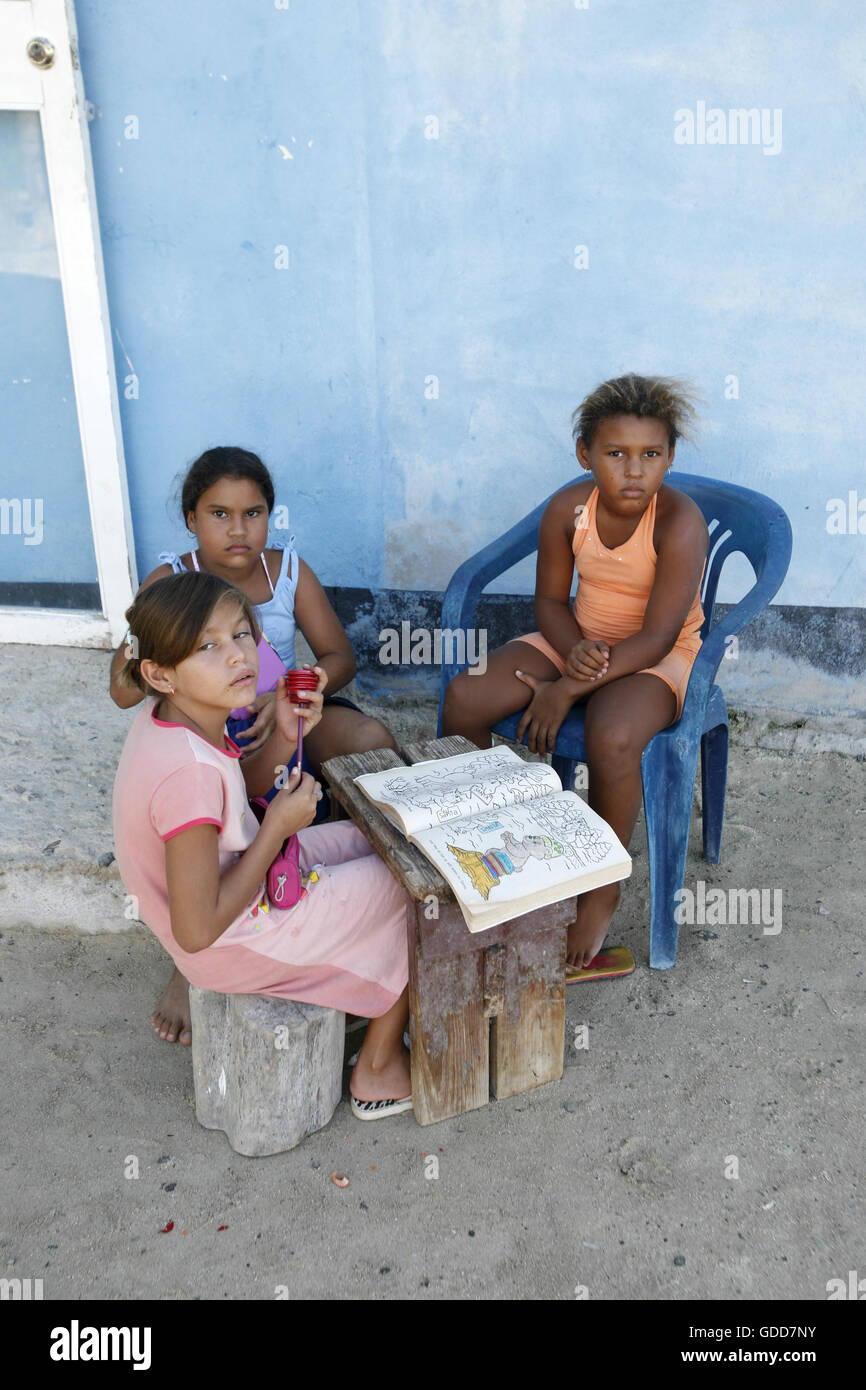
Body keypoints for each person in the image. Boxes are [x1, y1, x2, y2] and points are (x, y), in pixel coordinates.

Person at [109, 445, 398, 1045]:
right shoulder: (172, 582)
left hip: (283, 712)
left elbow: (338, 657)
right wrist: (141, 657)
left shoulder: (284, 572)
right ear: (191, 519)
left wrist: (282, 695)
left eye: (253, 513)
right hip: (217, 736)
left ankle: (323, 905)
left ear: (271, 515)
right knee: (218, 840)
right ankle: (194, 968)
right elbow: (124, 688)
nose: (237, 529)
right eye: (218, 514)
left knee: (372, 740)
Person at [112, 570, 411, 1118]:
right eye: (207, 646)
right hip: (232, 940)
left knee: (380, 842)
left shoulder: (179, 718)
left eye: (241, 634)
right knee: (411, 894)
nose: (237, 656)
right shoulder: (186, 776)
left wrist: (286, 737)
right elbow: (197, 931)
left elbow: (240, 787)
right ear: (159, 673)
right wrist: (277, 827)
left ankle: (360, 989)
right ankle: (378, 1067)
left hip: (250, 889)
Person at [441, 374, 709, 974]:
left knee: (611, 734)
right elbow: (550, 606)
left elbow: (660, 635)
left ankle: (600, 886)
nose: (634, 471)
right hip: (578, 640)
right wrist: (574, 655)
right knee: (466, 695)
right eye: (616, 454)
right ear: (585, 454)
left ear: (669, 457)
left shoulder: (678, 521)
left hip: (655, 656)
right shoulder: (569, 510)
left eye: (651, 455)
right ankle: (472, 848)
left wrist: (568, 688)